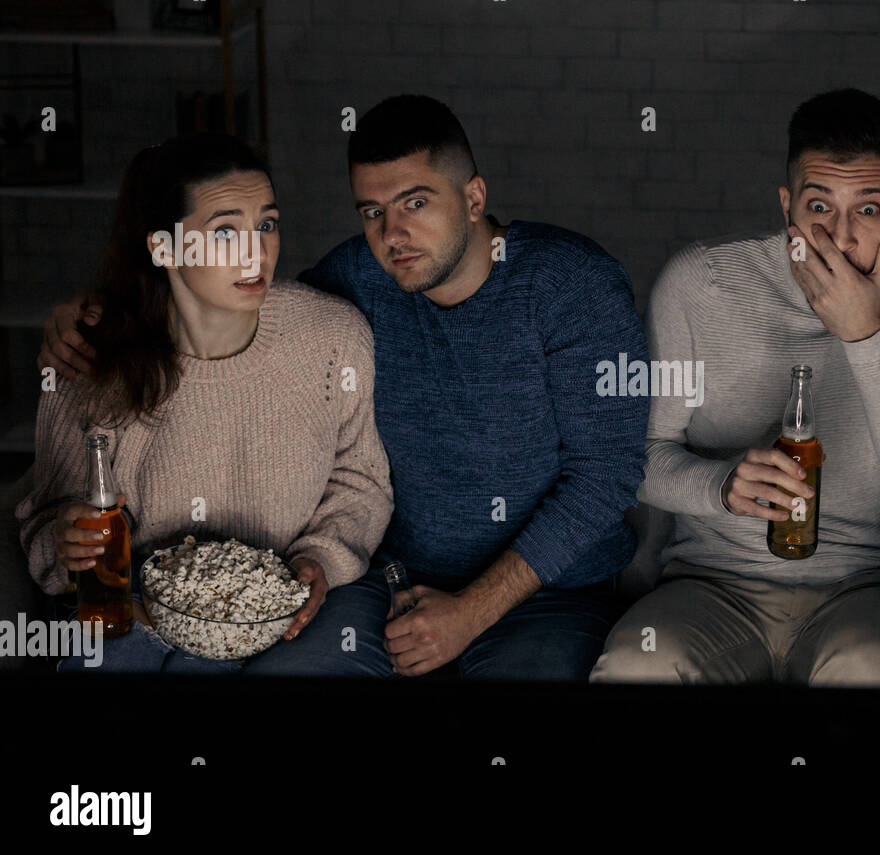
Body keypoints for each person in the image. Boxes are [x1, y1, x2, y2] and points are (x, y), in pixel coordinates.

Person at [40, 95, 649, 681]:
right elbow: (241, 310)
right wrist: (98, 315)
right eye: (372, 211)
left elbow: (607, 476)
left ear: (473, 197)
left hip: (544, 592)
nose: (393, 234)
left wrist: (471, 612)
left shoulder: (573, 286)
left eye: (416, 202)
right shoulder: (360, 277)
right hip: (385, 577)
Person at [588, 89, 880, 686]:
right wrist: (721, 484)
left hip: (858, 586)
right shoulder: (700, 281)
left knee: (869, 671)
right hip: (710, 583)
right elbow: (638, 461)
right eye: (819, 207)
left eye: (868, 211)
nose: (839, 240)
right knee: (635, 664)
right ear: (786, 205)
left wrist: (865, 333)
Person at [17, 133, 394, 673]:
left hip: (284, 598)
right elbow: (48, 514)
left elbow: (361, 478)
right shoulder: (90, 360)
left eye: (266, 224)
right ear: (164, 248)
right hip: (138, 608)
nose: (256, 251)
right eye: (224, 231)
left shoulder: (333, 339)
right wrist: (65, 540)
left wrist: (321, 557)